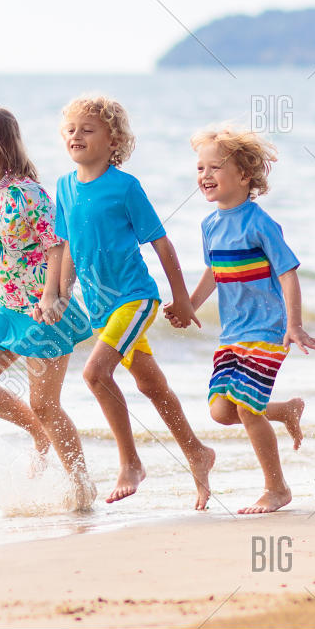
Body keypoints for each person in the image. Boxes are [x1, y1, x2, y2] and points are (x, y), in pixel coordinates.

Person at [54, 94, 214, 506]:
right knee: (151, 385)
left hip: (135, 297)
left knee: (94, 375)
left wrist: (182, 300)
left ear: (113, 142)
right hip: (100, 308)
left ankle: (131, 463)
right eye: (71, 129)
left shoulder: (125, 187)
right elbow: (69, 245)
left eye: (88, 130)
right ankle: (197, 452)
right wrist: (59, 293)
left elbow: (161, 243)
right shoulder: (64, 187)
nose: (77, 136)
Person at [0, 103, 97, 510]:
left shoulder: (27, 193)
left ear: (2, 141)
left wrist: (52, 294)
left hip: (46, 310)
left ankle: (81, 483)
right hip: (8, 308)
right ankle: (38, 433)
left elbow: (58, 245)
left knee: (47, 403)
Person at [168, 124, 315, 514]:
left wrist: (294, 323)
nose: (205, 175)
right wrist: (188, 303)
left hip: (267, 328)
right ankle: (285, 411)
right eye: (200, 168)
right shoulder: (209, 225)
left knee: (246, 409)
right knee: (221, 411)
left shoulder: (260, 223)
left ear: (243, 176)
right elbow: (213, 272)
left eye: (214, 168)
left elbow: (288, 272)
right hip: (232, 332)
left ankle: (277, 488)